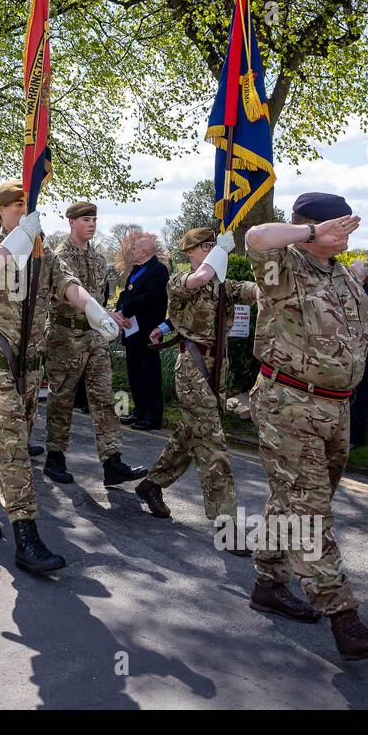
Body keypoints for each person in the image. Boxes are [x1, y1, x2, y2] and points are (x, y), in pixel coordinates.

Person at [245, 193, 368, 659]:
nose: (348, 236)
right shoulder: (282, 265)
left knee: (297, 499)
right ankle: (343, 617)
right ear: (312, 227)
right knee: (310, 511)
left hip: (335, 408)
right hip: (288, 404)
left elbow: (354, 336)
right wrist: (312, 233)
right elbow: (254, 235)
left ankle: (268, 582)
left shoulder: (345, 277)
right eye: (340, 227)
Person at [0, 181, 122, 574]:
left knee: (7, 441)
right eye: (17, 205)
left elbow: (67, 283)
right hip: (0, 362)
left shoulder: (42, 248)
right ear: (1, 210)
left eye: (28, 205)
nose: (24, 210)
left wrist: (93, 308)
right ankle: (26, 534)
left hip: (32, 364)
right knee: (14, 447)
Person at [138, 227, 256, 538]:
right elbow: (199, 279)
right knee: (213, 444)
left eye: (214, 246)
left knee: (190, 437)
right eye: (207, 247)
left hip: (219, 368)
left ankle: (151, 484)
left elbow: (258, 291)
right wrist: (220, 252)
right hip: (193, 368)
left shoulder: (224, 286)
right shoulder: (179, 281)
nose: (214, 252)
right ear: (192, 252)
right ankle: (226, 525)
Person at [43, 202, 146, 487]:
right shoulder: (58, 257)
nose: (92, 224)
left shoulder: (100, 260)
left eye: (94, 220)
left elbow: (98, 300)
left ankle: (112, 461)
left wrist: (108, 314)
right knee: (62, 398)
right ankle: (55, 457)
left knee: (104, 397)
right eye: (86, 219)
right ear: (72, 223)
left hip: (94, 337)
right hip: (66, 336)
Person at [115, 235, 169, 429]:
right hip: (131, 332)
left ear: (144, 252)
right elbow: (125, 294)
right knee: (135, 373)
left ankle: (152, 416)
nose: (131, 253)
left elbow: (151, 297)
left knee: (150, 374)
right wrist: (119, 310)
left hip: (149, 331)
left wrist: (126, 309)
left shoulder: (159, 270)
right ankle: (139, 411)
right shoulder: (136, 270)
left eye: (134, 250)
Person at [348, 259, 368, 448]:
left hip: (362, 354)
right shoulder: (349, 292)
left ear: (365, 277)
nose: (350, 273)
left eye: (354, 271)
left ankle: (356, 438)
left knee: (358, 397)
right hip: (348, 353)